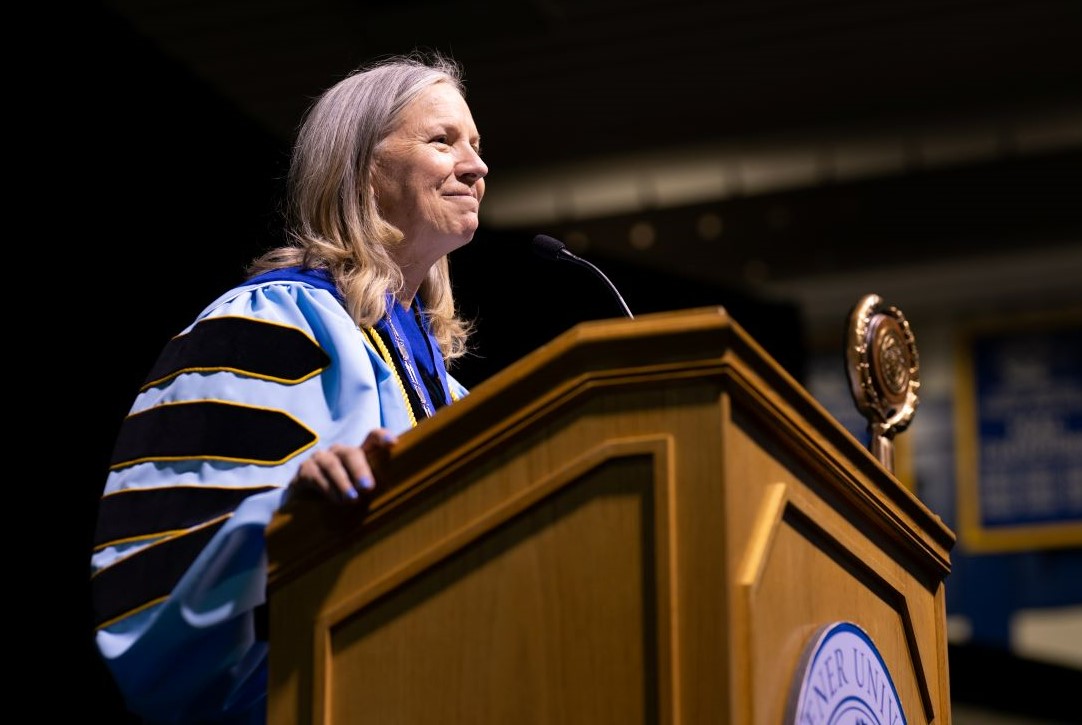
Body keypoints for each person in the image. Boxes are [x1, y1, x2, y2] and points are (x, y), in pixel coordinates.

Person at [89, 51, 488, 724]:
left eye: (476, 145)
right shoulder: (272, 322)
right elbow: (162, 554)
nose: (476, 166)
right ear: (364, 171)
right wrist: (292, 513)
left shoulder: (448, 388)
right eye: (443, 140)